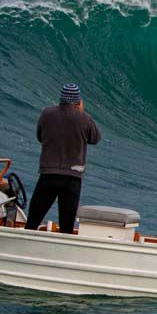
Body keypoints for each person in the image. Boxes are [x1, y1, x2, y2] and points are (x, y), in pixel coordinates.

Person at [24, 83, 101, 234]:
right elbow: (95, 138)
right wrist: (81, 113)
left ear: (61, 99)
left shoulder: (47, 113)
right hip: (72, 179)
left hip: (48, 175)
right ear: (78, 101)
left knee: (33, 220)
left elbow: (40, 137)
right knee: (66, 226)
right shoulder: (85, 118)